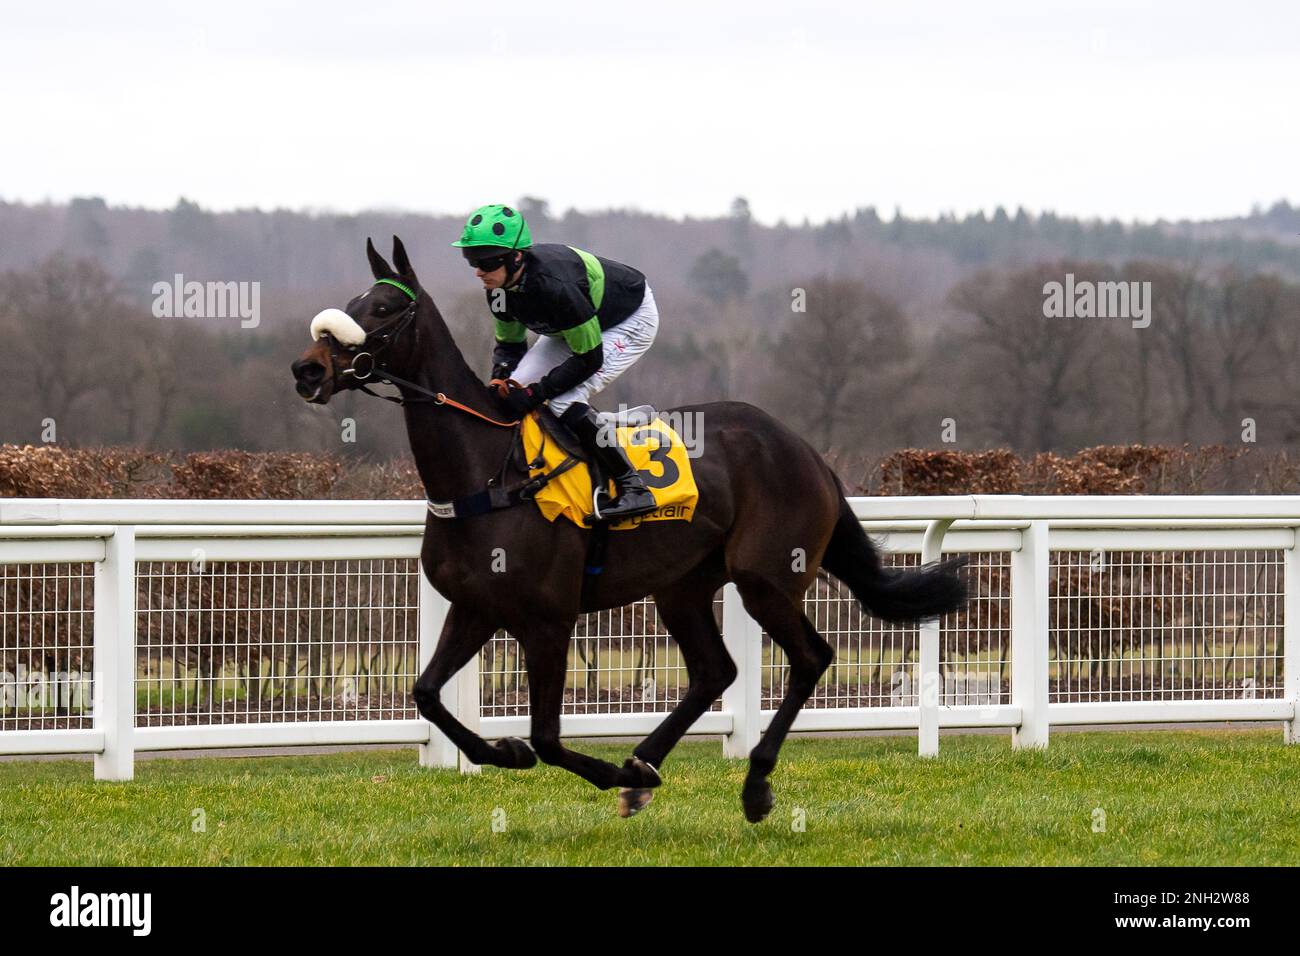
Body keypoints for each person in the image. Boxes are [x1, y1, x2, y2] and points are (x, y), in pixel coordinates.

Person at [453, 203, 660, 522]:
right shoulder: (498, 290)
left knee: (563, 399)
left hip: (627, 319)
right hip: (574, 325)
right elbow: (509, 345)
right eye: (471, 261)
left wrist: (537, 393)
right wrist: (500, 380)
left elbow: (590, 358)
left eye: (485, 262)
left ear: (516, 257)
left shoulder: (556, 287)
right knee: (511, 393)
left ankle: (633, 487)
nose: (478, 271)